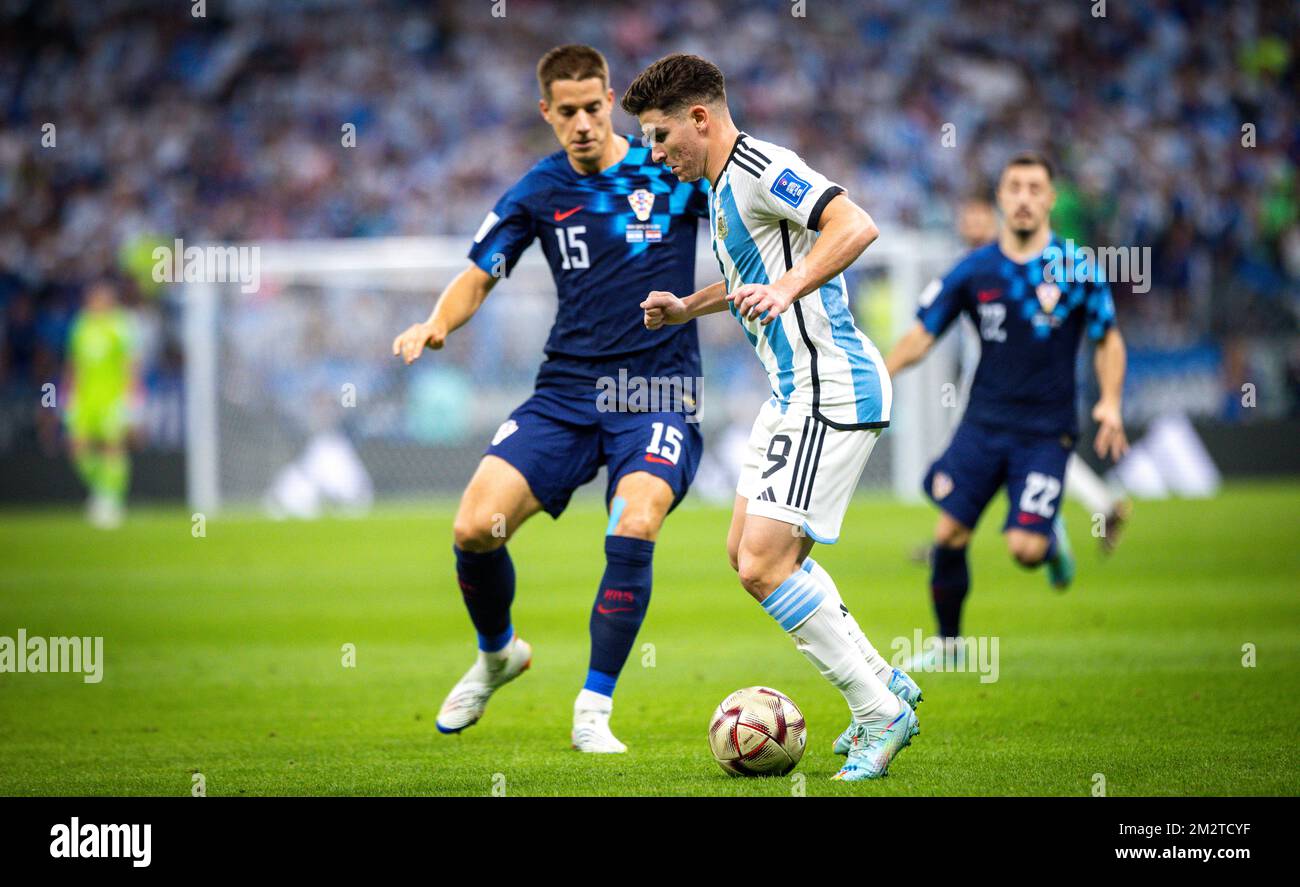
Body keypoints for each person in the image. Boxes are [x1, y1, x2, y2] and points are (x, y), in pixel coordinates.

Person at [391, 45, 710, 753]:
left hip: (658, 394)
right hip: (566, 393)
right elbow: (479, 273)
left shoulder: (671, 172)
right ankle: (499, 652)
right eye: (566, 112)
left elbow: (746, 217)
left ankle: (593, 708)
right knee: (475, 528)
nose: (584, 123)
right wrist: (436, 323)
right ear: (547, 113)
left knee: (636, 519)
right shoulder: (539, 191)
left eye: (594, 107)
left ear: (610, 100)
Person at [626, 53, 921, 781]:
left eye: (661, 137)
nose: (655, 155)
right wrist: (686, 307)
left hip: (831, 386)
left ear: (701, 118)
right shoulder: (724, 186)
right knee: (743, 553)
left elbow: (855, 226)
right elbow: (745, 279)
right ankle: (887, 680)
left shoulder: (760, 165)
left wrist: (789, 284)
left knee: (765, 563)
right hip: (792, 390)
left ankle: (878, 710)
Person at [885, 153, 1130, 665]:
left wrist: (1109, 403)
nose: (1023, 197)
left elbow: (1108, 339)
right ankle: (950, 646)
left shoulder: (1076, 266)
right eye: (1013, 187)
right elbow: (923, 335)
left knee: (1024, 551)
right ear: (1000, 197)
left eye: (1034, 187)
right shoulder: (976, 269)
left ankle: (1049, 540)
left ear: (1050, 198)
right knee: (949, 530)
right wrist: (880, 374)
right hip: (983, 424)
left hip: (1046, 432)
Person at [65, 280, 137, 529]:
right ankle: (100, 492)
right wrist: (69, 396)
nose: (99, 303)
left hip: (111, 398)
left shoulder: (119, 326)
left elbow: (129, 364)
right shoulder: (81, 326)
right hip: (85, 399)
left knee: (112, 448)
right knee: (78, 449)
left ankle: (111, 501)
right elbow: (73, 364)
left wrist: (131, 397)